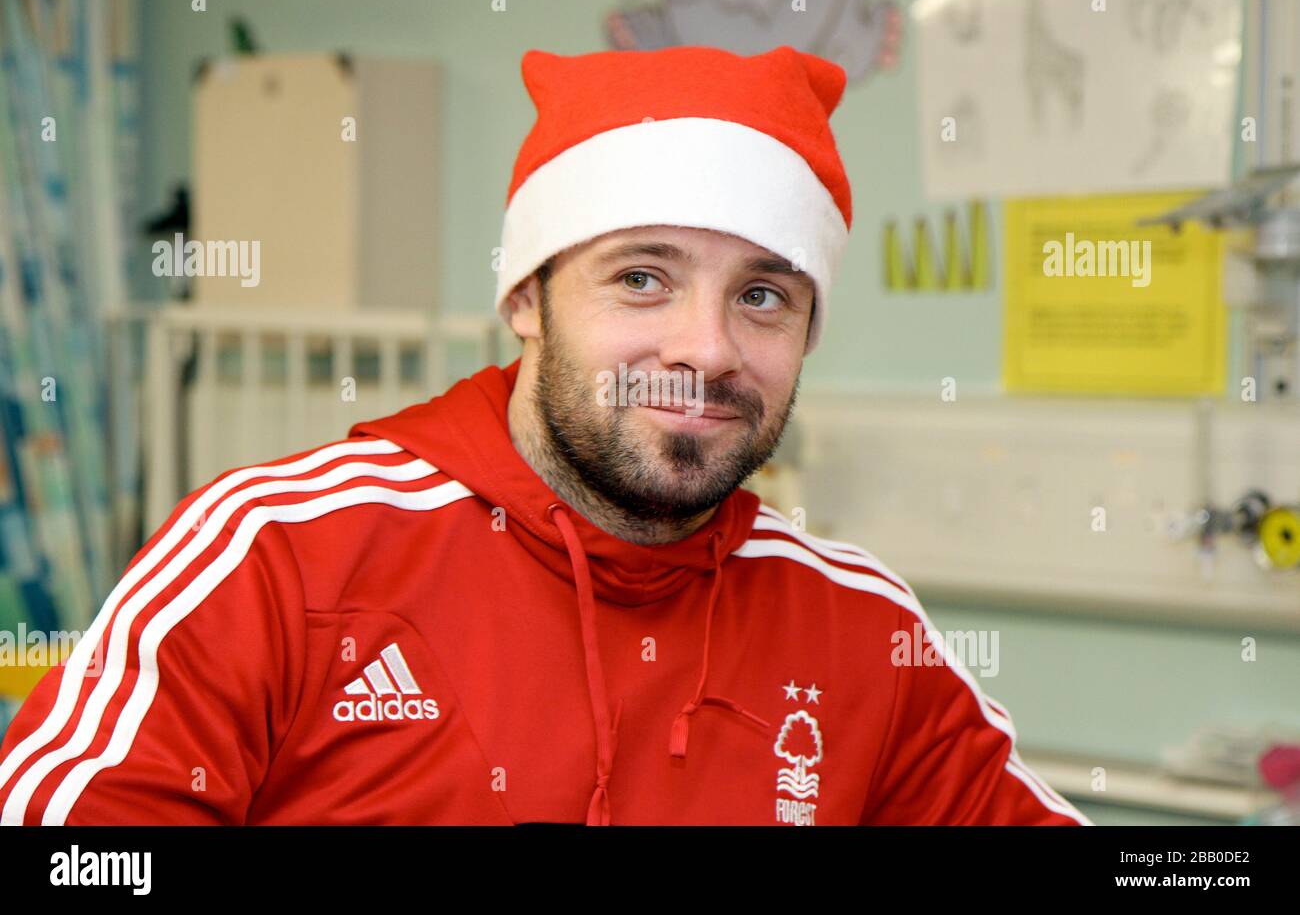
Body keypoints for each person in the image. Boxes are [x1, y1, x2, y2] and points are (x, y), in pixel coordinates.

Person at [0, 45, 1090, 825]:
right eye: (642, 277)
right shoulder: (278, 555)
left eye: (763, 295)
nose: (706, 347)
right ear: (526, 296)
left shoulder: (858, 633)